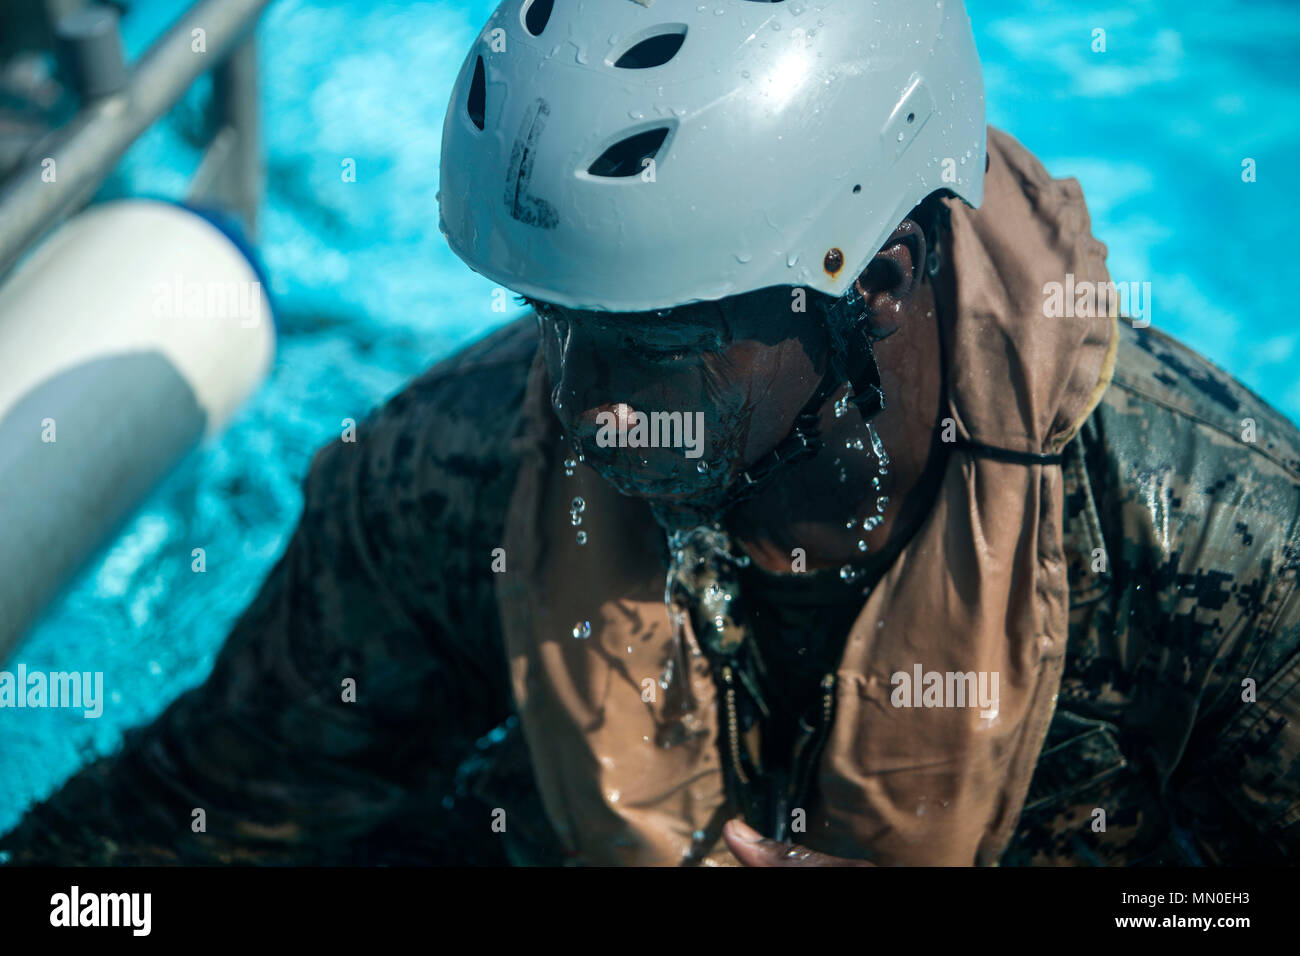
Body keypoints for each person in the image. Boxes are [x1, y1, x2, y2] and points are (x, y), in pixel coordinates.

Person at [4, 0, 1299, 867]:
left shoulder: (1215, 555)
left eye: (658, 345)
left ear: (886, 278)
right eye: (552, 319)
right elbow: (177, 837)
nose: (578, 400)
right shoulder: (449, 481)